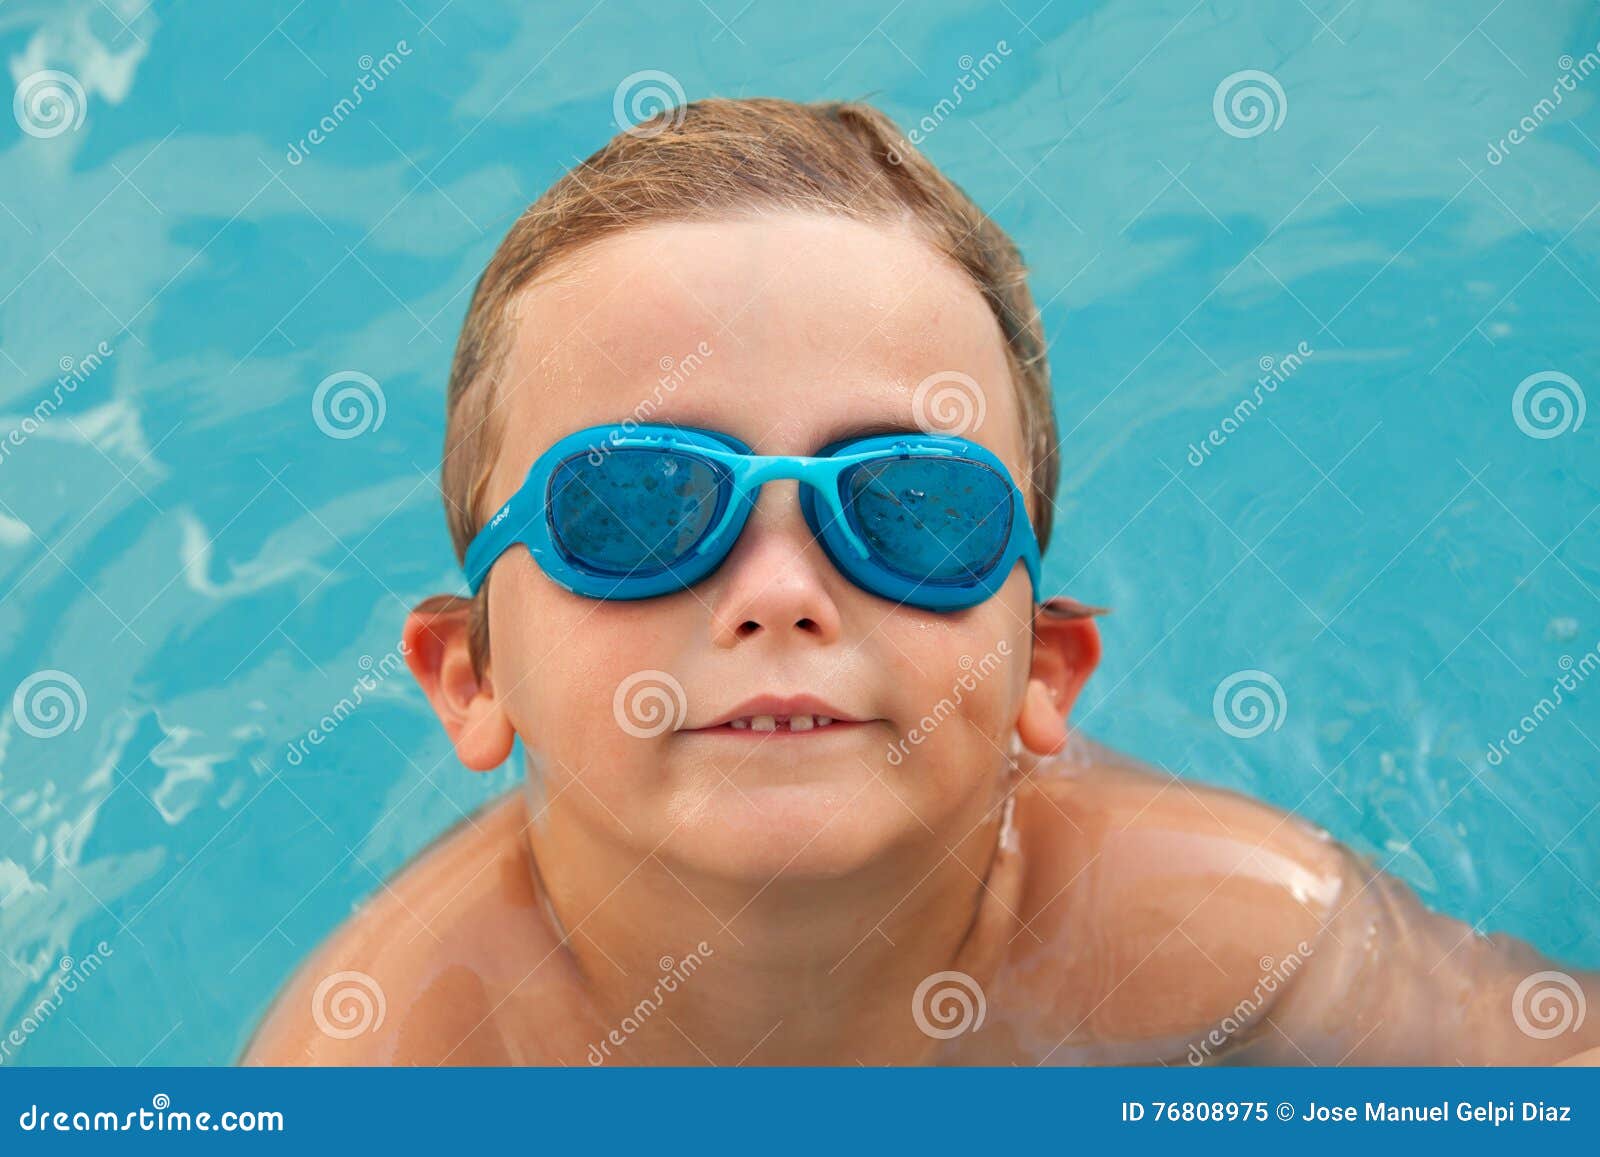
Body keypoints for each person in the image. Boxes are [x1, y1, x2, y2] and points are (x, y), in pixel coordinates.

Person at [243, 98, 1599, 1066]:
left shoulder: (1228, 935)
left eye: (911, 507)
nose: (780, 591)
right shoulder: (394, 1055)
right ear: (471, 677)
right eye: (640, 504)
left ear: (1045, 671)